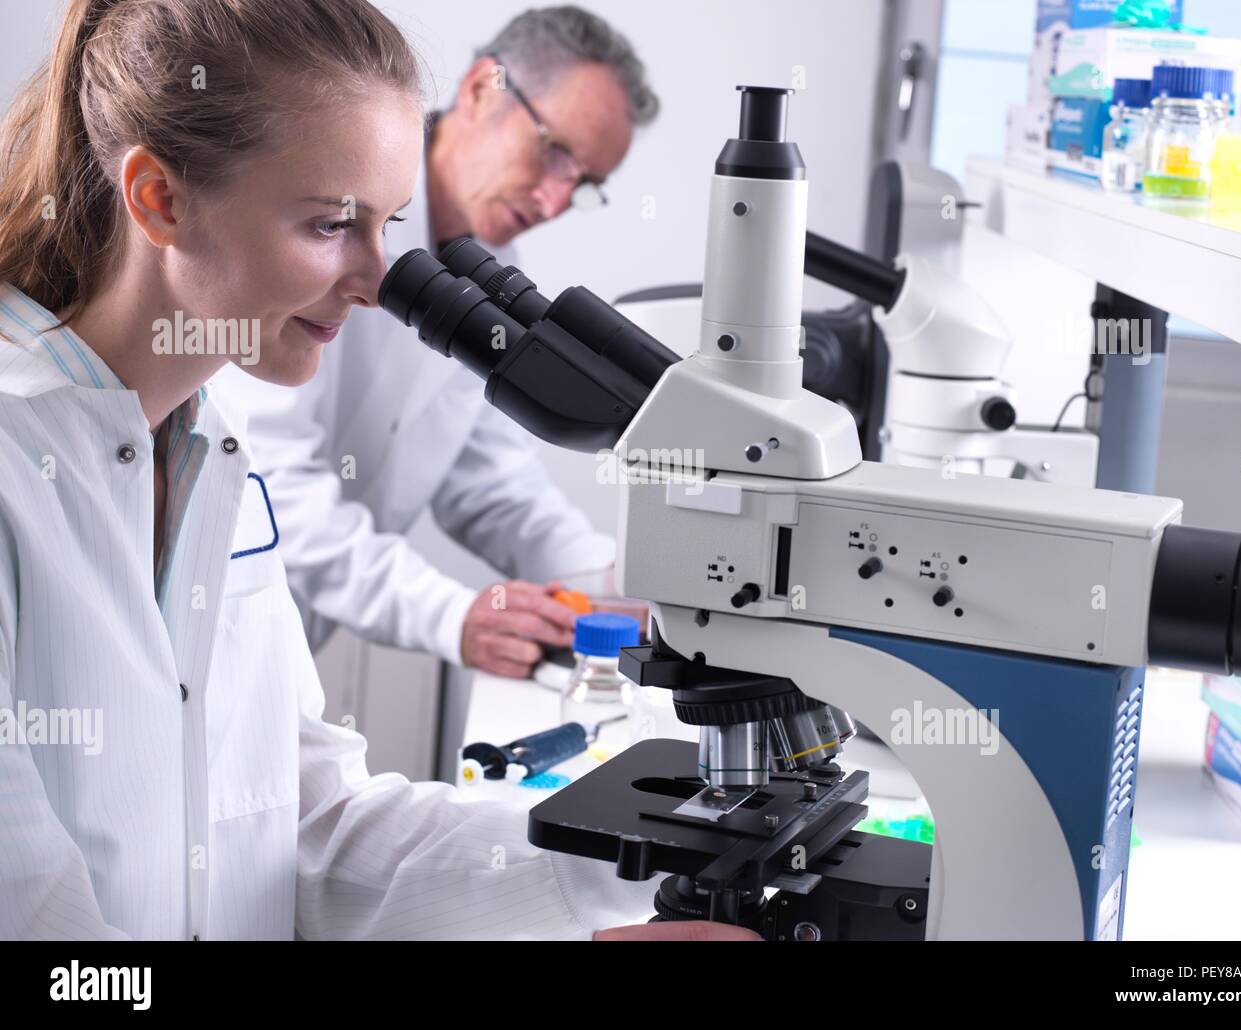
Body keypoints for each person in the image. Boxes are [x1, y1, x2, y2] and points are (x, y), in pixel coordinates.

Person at [0, 0, 752, 942]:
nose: (377, 280)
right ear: (160, 198)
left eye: (390, 225)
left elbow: (310, 830)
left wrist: (635, 856)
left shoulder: (211, 451)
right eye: (329, 226)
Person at [230, 6, 660, 678]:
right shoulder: (327, 219)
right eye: (554, 151)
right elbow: (270, 480)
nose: (553, 200)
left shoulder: (488, 271)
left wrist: (617, 582)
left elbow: (486, 476)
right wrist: (447, 615)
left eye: (583, 186)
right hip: (211, 611)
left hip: (280, 650)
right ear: (483, 87)